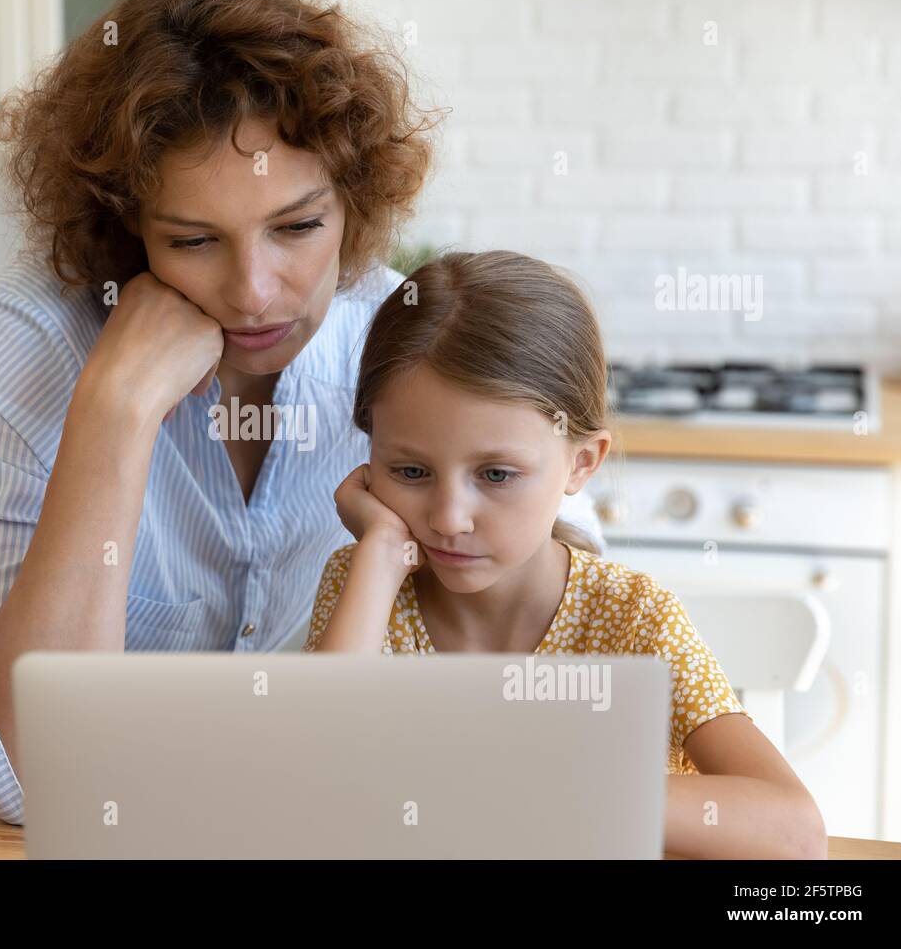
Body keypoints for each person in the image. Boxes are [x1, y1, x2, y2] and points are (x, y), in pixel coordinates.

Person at [0, 0, 604, 826]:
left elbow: (563, 598)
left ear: (353, 203)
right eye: (194, 241)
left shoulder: (402, 333)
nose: (254, 291)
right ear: (127, 231)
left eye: (298, 226)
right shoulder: (33, 334)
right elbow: (31, 777)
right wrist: (116, 408)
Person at [303, 249, 828, 859]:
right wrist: (382, 547)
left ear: (580, 463)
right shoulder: (364, 585)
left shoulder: (634, 616)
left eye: (496, 475)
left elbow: (794, 832)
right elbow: (318, 789)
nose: (447, 518)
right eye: (410, 470)